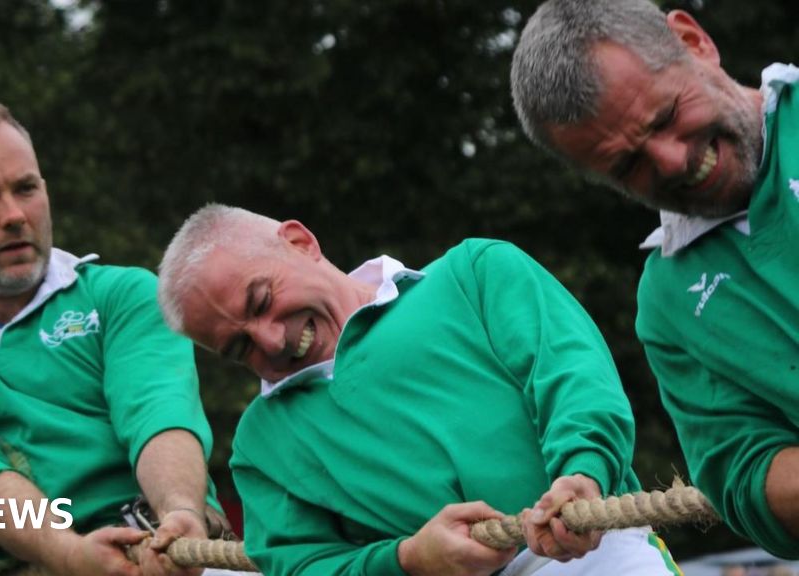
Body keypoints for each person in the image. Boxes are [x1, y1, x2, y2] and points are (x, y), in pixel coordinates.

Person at [155, 204, 680, 576]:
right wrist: (408, 561)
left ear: (300, 242)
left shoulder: (475, 275)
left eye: (261, 299)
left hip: (598, 558)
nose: (270, 338)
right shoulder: (259, 448)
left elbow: (574, 379)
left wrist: (582, 475)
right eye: (238, 347)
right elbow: (302, 565)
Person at [0, 100, 242, 576]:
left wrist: (179, 511)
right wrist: (70, 553)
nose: (13, 214)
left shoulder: (125, 294)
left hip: (181, 554)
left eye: (25, 188)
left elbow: (158, 410)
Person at [511, 0, 799, 558]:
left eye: (665, 116)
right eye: (626, 165)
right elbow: (743, 475)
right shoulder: (668, 303)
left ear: (693, 42)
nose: (669, 161)